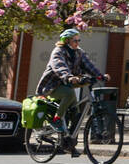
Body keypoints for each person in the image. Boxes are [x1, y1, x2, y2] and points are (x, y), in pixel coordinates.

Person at [36, 28, 109, 156]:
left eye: (78, 40)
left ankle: (69, 144)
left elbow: (88, 65)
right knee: (69, 94)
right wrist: (68, 76)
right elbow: (59, 66)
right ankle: (56, 119)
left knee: (76, 114)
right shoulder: (58, 52)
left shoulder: (79, 53)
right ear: (67, 40)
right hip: (51, 86)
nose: (77, 42)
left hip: (67, 86)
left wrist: (100, 76)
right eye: (75, 40)